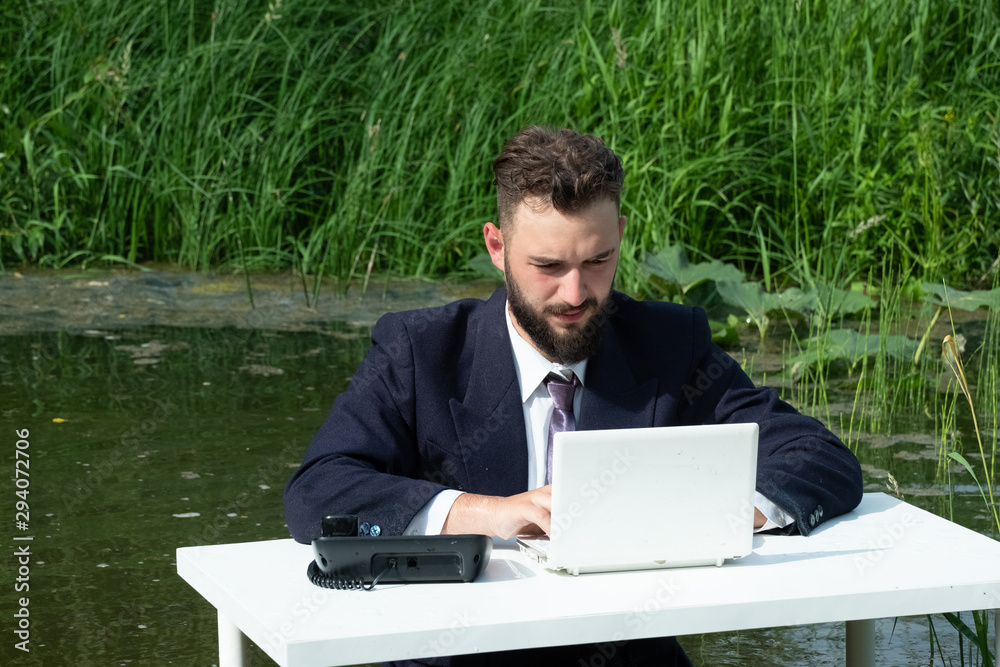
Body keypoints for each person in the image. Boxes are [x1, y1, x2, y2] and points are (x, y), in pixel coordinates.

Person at [284, 126, 864, 666]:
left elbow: (818, 455)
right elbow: (318, 489)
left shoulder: (668, 345)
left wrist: (732, 512)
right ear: (496, 245)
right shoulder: (419, 352)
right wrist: (485, 512)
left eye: (598, 260)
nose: (576, 293)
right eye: (547, 266)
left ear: (620, 237)